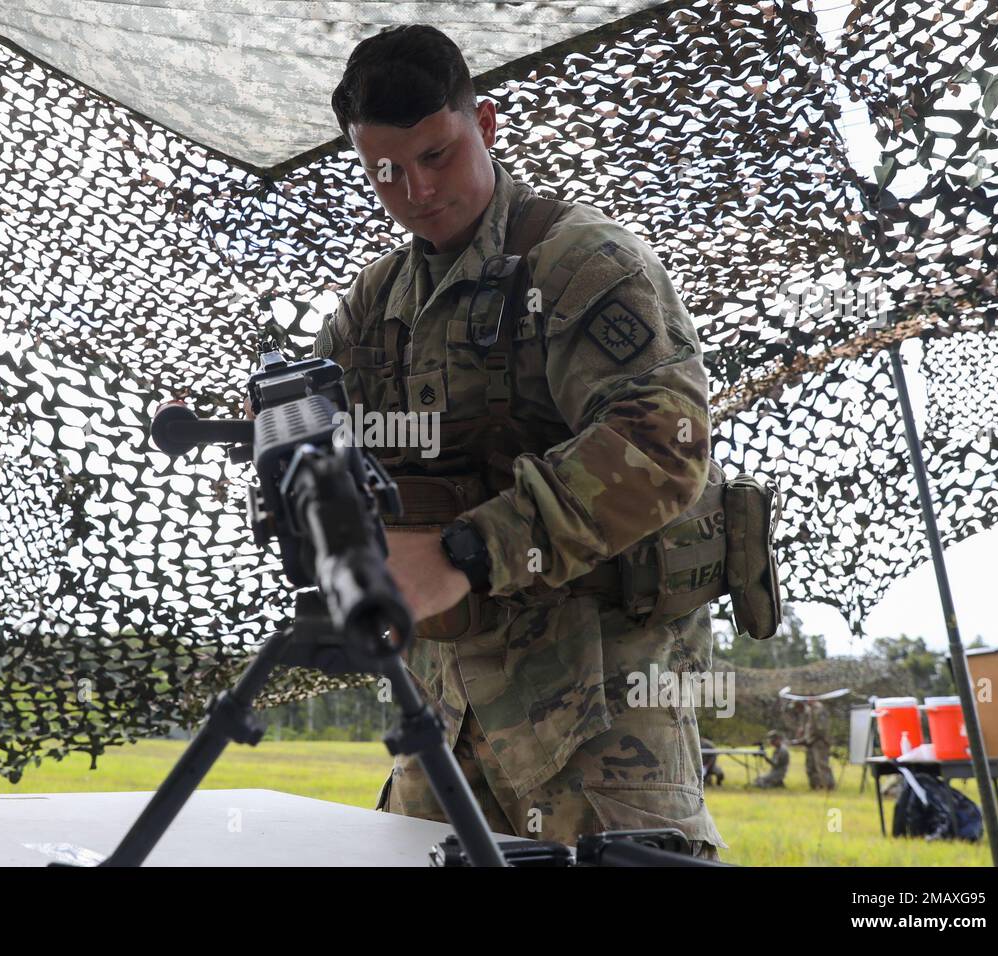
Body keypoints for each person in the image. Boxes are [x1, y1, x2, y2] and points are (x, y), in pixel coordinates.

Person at [318, 24, 725, 860]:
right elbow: (323, 447)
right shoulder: (373, 305)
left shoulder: (581, 264)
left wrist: (467, 551)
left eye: (438, 155)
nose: (417, 189)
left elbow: (665, 443)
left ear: (488, 126)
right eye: (386, 171)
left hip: (599, 726)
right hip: (439, 727)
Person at [792, 699, 836, 791]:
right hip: (812, 742)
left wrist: (811, 739)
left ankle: (829, 786)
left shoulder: (818, 710)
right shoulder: (808, 712)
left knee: (822, 765)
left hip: (819, 741)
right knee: (812, 765)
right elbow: (809, 728)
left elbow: (820, 729)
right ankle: (817, 785)